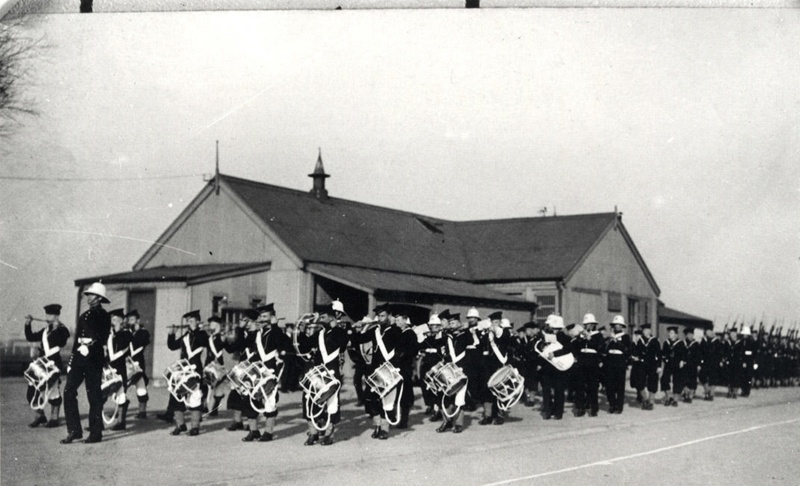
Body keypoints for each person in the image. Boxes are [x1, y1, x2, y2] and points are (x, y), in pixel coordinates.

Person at [61, 282, 111, 444]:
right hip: (79, 359)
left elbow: (102, 338)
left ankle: (96, 433)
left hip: (93, 359)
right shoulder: (84, 315)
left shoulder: (103, 315)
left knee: (94, 396)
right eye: (88, 294)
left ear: (98, 298)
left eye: (91, 294)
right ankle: (74, 430)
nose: (88, 297)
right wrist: (72, 358)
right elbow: (77, 339)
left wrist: (90, 347)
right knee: (68, 391)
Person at [296, 301, 350, 445]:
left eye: (324, 317)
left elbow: (343, 344)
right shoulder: (319, 334)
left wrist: (336, 328)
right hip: (319, 372)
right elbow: (305, 344)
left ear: (332, 318)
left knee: (332, 402)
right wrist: (302, 331)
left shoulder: (340, 332)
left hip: (331, 372)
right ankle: (313, 433)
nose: (320, 319)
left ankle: (329, 434)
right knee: (311, 399)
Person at [350, 303, 403, 440]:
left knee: (387, 400)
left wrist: (396, 363)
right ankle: (377, 425)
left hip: (389, 369)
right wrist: (355, 330)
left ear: (389, 316)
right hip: (375, 370)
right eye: (378, 316)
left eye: (383, 315)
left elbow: (404, 349)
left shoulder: (395, 331)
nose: (379, 318)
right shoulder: (375, 331)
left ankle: (385, 428)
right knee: (371, 399)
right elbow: (360, 340)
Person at [240, 303, 291, 442]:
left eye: (264, 316)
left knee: (270, 401)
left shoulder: (277, 332)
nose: (261, 319)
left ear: (272, 317)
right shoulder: (257, 334)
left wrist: (275, 326)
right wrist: (243, 328)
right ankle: (254, 431)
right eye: (260, 316)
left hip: (270, 371)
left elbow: (283, 344)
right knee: (250, 399)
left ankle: (268, 432)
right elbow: (241, 345)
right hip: (257, 371)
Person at [24, 303, 70, 428]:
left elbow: (62, 341)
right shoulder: (45, 331)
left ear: (56, 316)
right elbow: (31, 337)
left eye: (49, 314)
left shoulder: (62, 329)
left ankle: (54, 418)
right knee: (31, 391)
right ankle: (40, 416)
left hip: (54, 363)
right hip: (42, 362)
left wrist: (56, 329)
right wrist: (28, 324)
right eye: (46, 314)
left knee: (53, 390)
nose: (47, 316)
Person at [165, 310, 208, 436]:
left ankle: (195, 427)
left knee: (195, 396)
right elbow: (173, 346)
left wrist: (196, 329)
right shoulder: (186, 336)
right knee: (176, 394)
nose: (189, 323)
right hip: (183, 369)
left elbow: (203, 341)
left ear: (198, 321)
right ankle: (180, 425)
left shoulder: (202, 334)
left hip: (195, 369)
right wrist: (171, 334)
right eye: (188, 321)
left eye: (192, 320)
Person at [436, 311, 471, 433]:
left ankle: (459, 424)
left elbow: (471, 343)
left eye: (453, 322)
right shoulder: (447, 337)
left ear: (459, 323)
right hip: (449, 370)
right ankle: (446, 421)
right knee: (444, 396)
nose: (451, 325)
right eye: (449, 323)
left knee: (459, 398)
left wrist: (467, 329)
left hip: (461, 370)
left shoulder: (465, 335)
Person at [478, 311, 512, 425]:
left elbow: (501, 335)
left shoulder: (504, 331)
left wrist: (493, 328)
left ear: (500, 322)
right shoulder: (487, 333)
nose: (494, 324)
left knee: (500, 390)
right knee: (486, 389)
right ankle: (487, 415)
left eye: (496, 322)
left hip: (499, 364)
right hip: (488, 365)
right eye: (492, 322)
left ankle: (499, 415)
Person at [539, 314, 572, 420]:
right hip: (547, 367)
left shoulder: (565, 338)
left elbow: (568, 349)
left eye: (550, 326)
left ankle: (558, 412)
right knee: (546, 389)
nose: (549, 328)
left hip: (558, 367)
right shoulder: (546, 337)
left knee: (559, 390)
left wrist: (555, 353)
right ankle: (548, 411)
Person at [106, 308, 132, 430]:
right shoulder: (109, 334)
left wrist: (116, 332)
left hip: (120, 368)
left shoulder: (126, 333)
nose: (112, 321)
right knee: (100, 394)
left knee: (121, 394)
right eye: (112, 319)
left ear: (121, 321)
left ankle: (121, 422)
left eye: (115, 319)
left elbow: (122, 345)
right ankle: (97, 424)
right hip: (109, 367)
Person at [419, 313, 445, 420]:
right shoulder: (429, 338)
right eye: (431, 325)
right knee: (426, 386)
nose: (432, 327)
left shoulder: (443, 337)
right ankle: (430, 404)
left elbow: (442, 352)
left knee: (437, 388)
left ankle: (437, 409)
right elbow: (420, 346)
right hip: (427, 364)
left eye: (434, 325)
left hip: (437, 365)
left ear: (439, 326)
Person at [126, 310, 151, 419]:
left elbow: (140, 343)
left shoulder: (143, 332)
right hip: (127, 361)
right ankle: (121, 409)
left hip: (138, 362)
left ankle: (142, 411)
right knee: (123, 386)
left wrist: (133, 333)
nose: (130, 322)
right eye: (129, 320)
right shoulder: (127, 331)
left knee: (140, 386)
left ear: (138, 320)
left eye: (132, 320)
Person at [603, 315, 630, 414]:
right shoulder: (610, 337)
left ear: (622, 326)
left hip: (620, 362)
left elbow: (627, 350)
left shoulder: (625, 337)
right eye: (615, 325)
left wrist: (618, 343)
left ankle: (619, 406)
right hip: (610, 362)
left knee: (619, 386)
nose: (617, 327)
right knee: (609, 385)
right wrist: (609, 341)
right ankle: (612, 404)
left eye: (619, 325)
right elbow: (605, 350)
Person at [660, 326, 685, 407]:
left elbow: (683, 354)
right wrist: (665, 359)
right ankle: (668, 397)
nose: (669, 334)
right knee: (664, 379)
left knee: (677, 381)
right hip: (668, 364)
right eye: (669, 333)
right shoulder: (666, 343)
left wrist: (682, 361)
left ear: (676, 334)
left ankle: (675, 400)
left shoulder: (680, 343)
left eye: (671, 333)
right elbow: (663, 354)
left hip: (677, 365)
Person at [640, 324, 661, 410]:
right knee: (640, 382)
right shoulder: (640, 341)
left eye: (648, 330)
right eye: (644, 331)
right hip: (642, 365)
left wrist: (659, 366)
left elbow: (659, 354)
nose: (646, 332)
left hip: (652, 364)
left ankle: (651, 401)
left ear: (650, 331)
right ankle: (645, 399)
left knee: (652, 383)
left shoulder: (655, 341)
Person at [699, 327, 722, 401]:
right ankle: (707, 390)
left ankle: (711, 394)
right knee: (702, 376)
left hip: (714, 363)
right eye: (707, 331)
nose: (709, 333)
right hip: (705, 363)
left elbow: (720, 353)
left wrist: (719, 362)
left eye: (710, 331)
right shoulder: (704, 341)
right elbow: (700, 352)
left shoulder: (717, 342)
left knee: (713, 378)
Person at [682, 328, 700, 403]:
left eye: (692, 334)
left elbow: (699, 355)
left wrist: (699, 364)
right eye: (689, 335)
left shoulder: (696, 344)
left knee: (693, 381)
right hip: (685, 365)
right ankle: (686, 394)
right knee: (684, 380)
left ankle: (690, 396)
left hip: (693, 365)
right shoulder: (682, 344)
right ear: (686, 335)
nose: (690, 336)